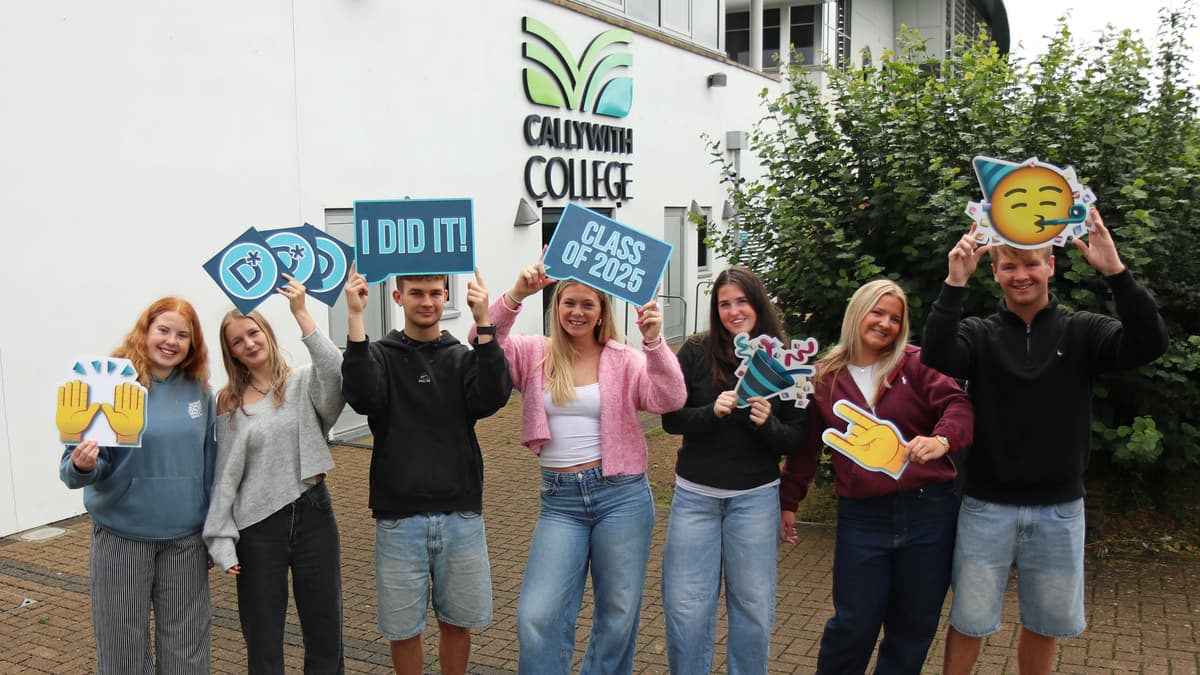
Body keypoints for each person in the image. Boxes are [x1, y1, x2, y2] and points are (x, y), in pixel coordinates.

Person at [922, 208, 1168, 675]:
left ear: (1051, 266)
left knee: (1044, 623)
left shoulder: (1083, 331)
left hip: (1059, 510)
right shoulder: (978, 333)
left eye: (1031, 263)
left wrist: (1116, 272)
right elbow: (937, 355)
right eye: (1009, 266)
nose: (1021, 275)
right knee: (970, 621)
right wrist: (954, 284)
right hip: (986, 507)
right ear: (993, 273)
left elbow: (1150, 343)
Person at [474, 257, 686, 675]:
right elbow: (483, 340)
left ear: (602, 311)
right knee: (537, 614)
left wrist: (655, 343)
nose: (576, 311)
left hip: (621, 496)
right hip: (561, 502)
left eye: (587, 304)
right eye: (568, 302)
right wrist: (516, 294)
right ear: (556, 307)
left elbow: (669, 398)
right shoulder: (534, 353)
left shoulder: (624, 359)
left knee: (618, 613)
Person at [779, 279, 973, 674]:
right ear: (857, 313)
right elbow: (805, 449)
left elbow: (959, 405)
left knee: (913, 626)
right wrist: (789, 501)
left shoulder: (918, 363)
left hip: (929, 512)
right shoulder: (823, 377)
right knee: (853, 623)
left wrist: (941, 439)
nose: (886, 323)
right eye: (877, 312)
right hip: (862, 517)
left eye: (895, 318)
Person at [341, 268, 512, 675]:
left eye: (435, 293)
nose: (427, 301)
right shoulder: (378, 355)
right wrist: (354, 317)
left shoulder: (462, 357)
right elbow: (362, 395)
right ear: (398, 298)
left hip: (461, 513)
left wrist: (485, 321)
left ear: (446, 295)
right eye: (416, 293)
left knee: (458, 623)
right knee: (403, 629)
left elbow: (492, 396)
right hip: (398, 518)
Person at [658, 265, 808, 674]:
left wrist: (768, 423)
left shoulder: (786, 359)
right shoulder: (695, 351)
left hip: (755, 500)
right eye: (724, 303)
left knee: (754, 610)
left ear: (758, 303)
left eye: (741, 301)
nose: (733, 311)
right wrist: (712, 411)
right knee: (686, 609)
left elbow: (797, 439)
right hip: (695, 498)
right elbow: (671, 420)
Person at [58, 296, 216, 674]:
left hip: (186, 540)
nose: (171, 341)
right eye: (163, 330)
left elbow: (211, 468)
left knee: (187, 647)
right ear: (144, 331)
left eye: (183, 335)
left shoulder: (200, 392)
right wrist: (83, 465)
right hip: (122, 536)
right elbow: (72, 469)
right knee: (122, 646)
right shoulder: (110, 386)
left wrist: (214, 531)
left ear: (192, 344)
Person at [203, 274, 346, 673]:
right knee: (263, 636)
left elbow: (337, 376)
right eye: (237, 340)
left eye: (253, 333)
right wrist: (221, 540)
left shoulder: (302, 382)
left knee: (325, 629)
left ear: (265, 332)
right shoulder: (230, 403)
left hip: (314, 512)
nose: (248, 343)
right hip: (258, 528)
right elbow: (225, 477)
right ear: (231, 352)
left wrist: (301, 312)